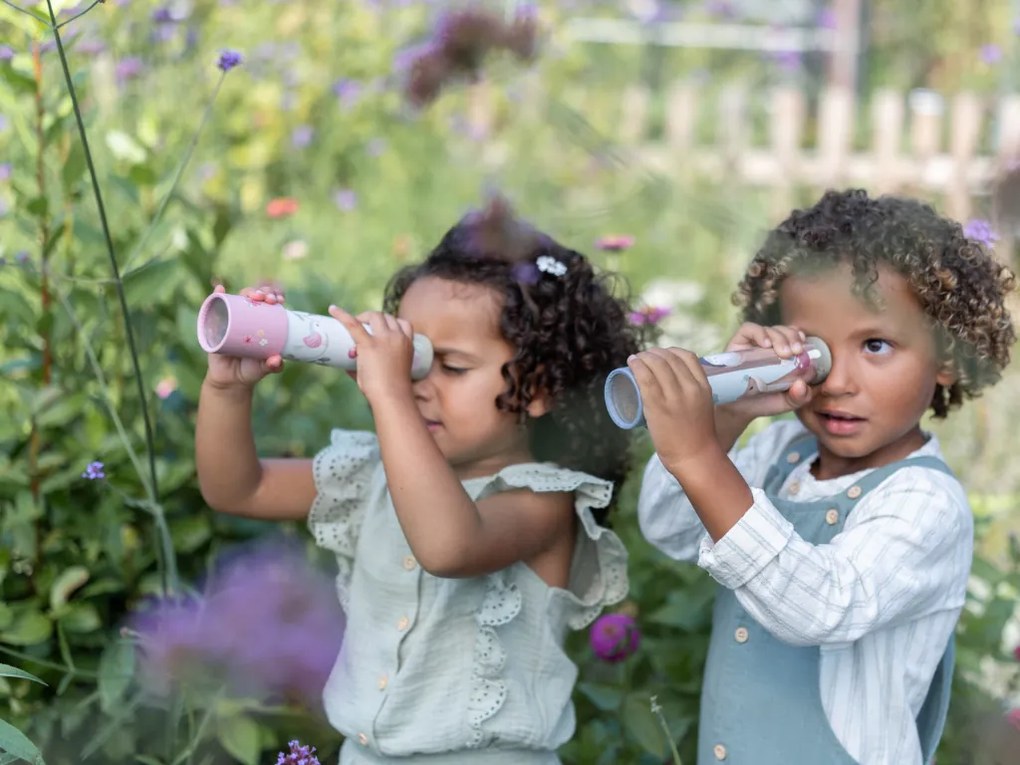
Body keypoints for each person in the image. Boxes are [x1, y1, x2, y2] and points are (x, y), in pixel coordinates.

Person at [194, 199, 642, 764]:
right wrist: (227, 390)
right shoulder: (372, 475)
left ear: (540, 387)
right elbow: (238, 489)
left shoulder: (542, 501)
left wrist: (389, 394)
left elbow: (449, 546)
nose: (418, 383)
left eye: (451, 367)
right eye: (411, 362)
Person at [631, 189, 1016, 765]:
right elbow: (670, 527)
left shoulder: (925, 501)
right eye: (814, 350)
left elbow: (820, 607)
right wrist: (726, 417)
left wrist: (700, 458)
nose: (836, 382)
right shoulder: (782, 452)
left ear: (947, 358)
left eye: (876, 345)